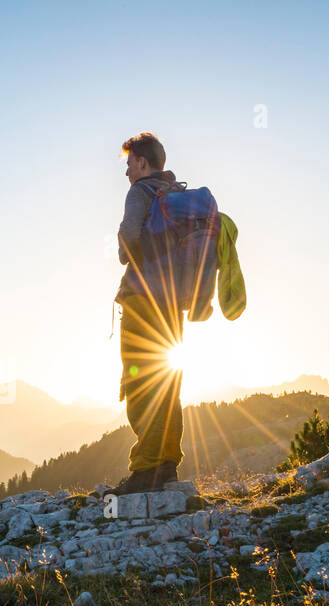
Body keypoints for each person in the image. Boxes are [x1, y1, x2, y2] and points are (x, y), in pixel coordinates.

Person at [108, 132, 187, 495]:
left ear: (142, 162)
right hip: (173, 304)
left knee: (140, 384)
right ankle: (166, 465)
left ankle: (145, 472)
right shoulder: (178, 194)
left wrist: (131, 259)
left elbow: (128, 238)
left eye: (128, 164)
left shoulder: (140, 192)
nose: (126, 172)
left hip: (143, 301)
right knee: (167, 384)